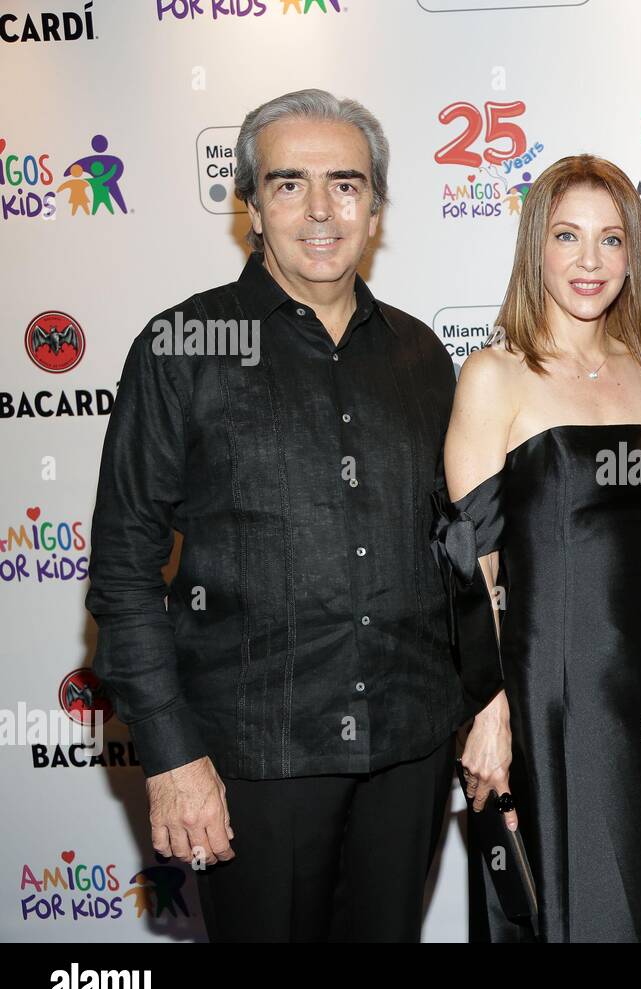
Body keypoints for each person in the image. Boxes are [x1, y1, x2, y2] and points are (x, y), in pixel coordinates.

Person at [85, 89, 464, 942]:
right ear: (251, 204)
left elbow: (459, 544)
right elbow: (122, 567)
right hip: (256, 753)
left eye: (347, 184)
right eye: (290, 184)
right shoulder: (182, 346)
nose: (322, 209)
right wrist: (175, 756)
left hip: (408, 744)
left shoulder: (422, 354)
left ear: (376, 207)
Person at [438, 154, 641, 943]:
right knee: (569, 900)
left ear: (635, 253)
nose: (590, 262)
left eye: (611, 239)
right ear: (537, 248)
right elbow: (470, 561)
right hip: (546, 693)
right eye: (568, 236)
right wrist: (487, 712)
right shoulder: (495, 375)